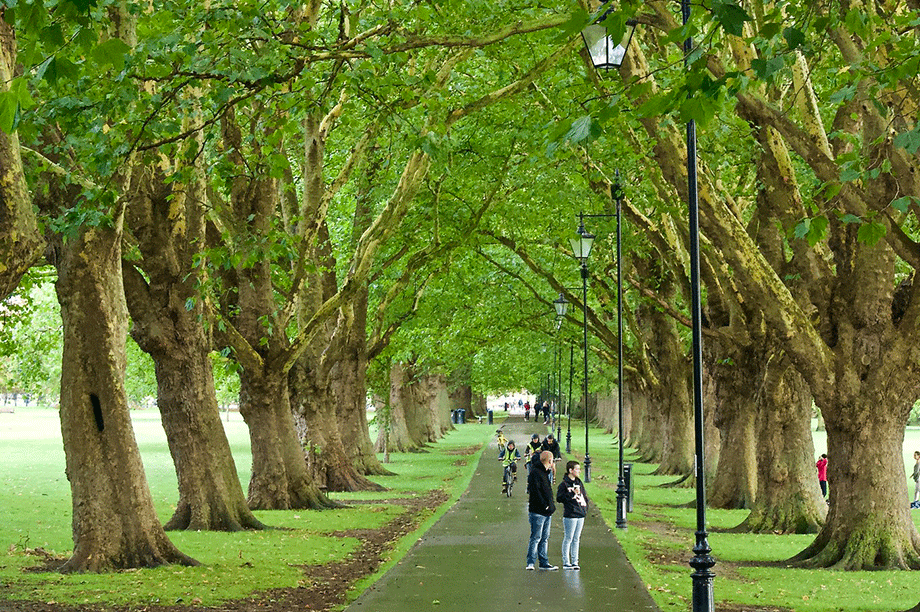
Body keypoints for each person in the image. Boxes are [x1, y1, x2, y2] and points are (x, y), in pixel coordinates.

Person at [526, 450, 558, 571]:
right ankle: (530, 562)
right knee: (536, 537)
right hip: (538, 511)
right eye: (552, 461)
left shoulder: (546, 472)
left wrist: (551, 506)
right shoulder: (535, 473)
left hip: (547, 511)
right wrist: (545, 505)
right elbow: (536, 491)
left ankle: (544, 562)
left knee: (545, 538)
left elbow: (548, 491)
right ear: (549, 460)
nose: (553, 463)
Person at [556, 460, 589, 570]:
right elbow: (559, 498)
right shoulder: (564, 484)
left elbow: (584, 496)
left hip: (580, 513)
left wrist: (585, 508)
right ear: (570, 470)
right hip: (570, 514)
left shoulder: (579, 482)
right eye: (577, 469)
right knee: (568, 537)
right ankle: (566, 562)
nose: (579, 471)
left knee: (576, 538)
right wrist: (571, 493)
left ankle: (575, 561)